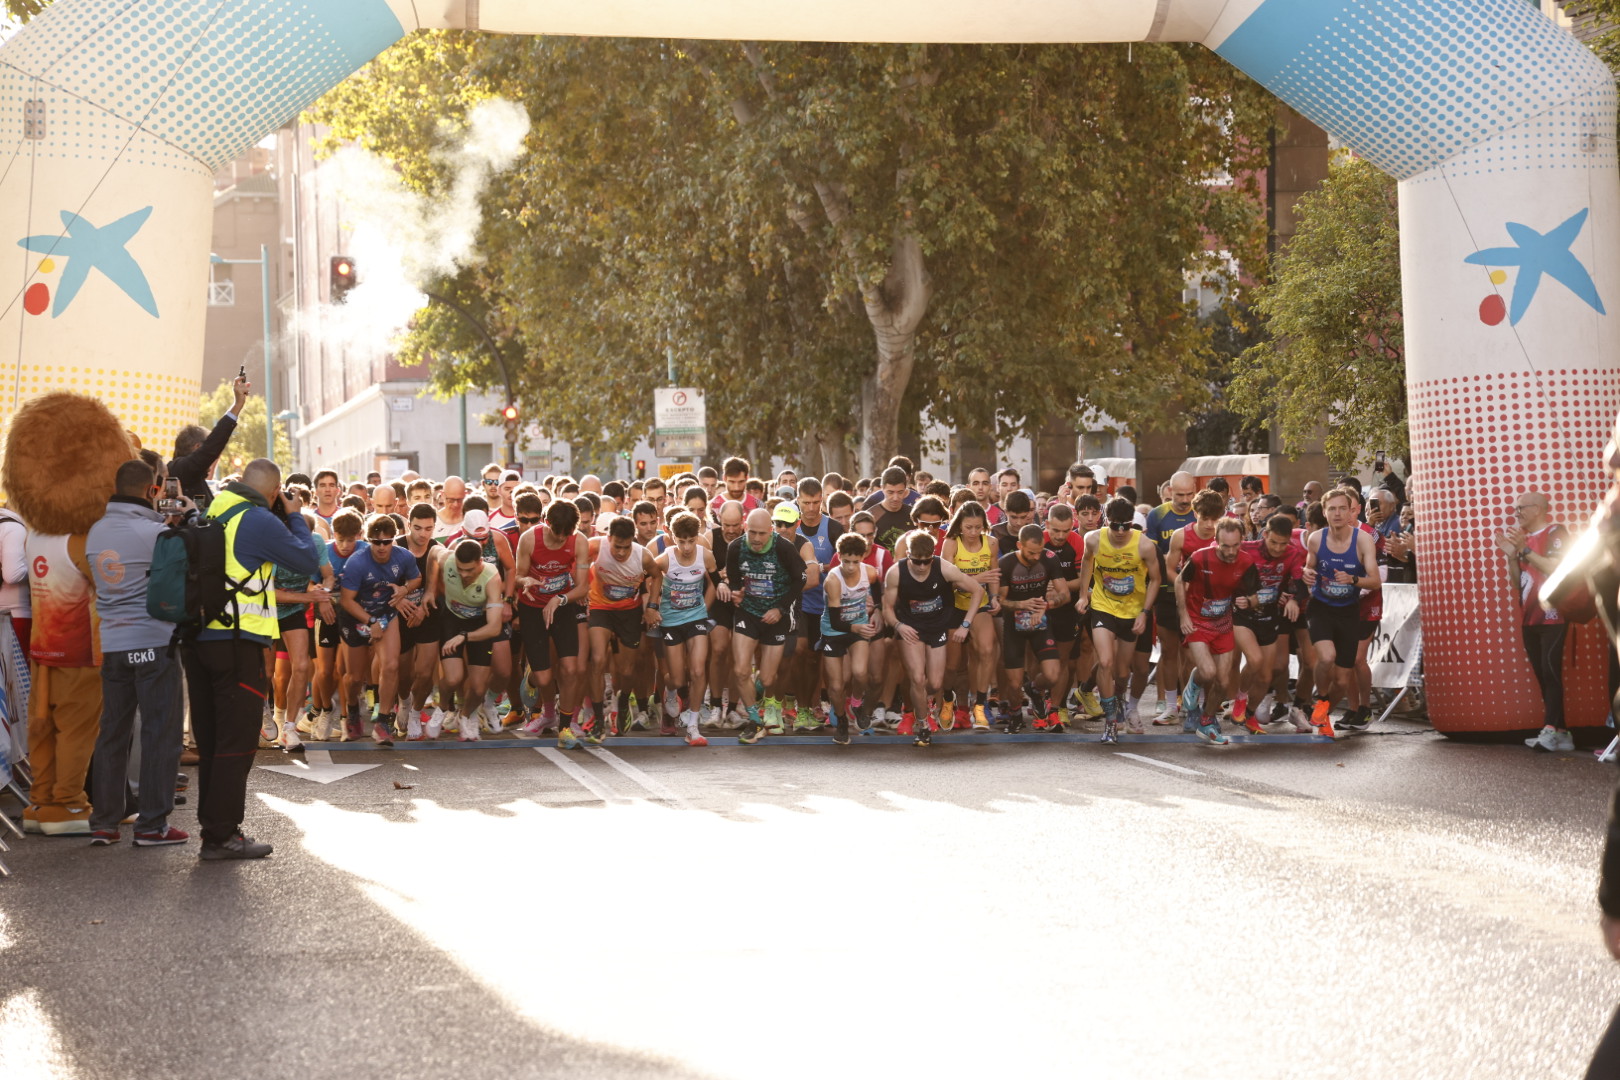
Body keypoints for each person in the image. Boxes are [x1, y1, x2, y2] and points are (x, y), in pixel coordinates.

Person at [183, 458, 319, 860]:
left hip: (199, 638)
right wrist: (294, 517)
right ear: (275, 491)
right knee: (237, 743)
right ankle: (223, 836)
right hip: (236, 642)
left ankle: (213, 830)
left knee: (210, 742)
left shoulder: (215, 507)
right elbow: (306, 561)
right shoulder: (258, 519)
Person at [85, 459, 192, 845]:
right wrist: (186, 515)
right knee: (160, 733)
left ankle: (104, 821)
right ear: (152, 490)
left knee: (112, 732)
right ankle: (151, 824)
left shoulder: (95, 532)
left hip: (113, 646)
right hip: (153, 643)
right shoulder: (155, 533)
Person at [884, 530, 983, 745]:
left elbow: (977, 591)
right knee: (917, 678)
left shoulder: (945, 568)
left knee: (935, 683)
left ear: (932, 555)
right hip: (910, 628)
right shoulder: (896, 573)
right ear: (907, 554)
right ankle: (923, 725)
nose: (921, 566)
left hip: (937, 627)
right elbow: (887, 608)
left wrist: (965, 625)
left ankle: (926, 703)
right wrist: (898, 626)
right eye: (916, 561)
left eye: (926, 561)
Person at [1075, 496, 1161, 742]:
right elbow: (1086, 562)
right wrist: (1083, 596)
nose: (1121, 531)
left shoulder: (1144, 545)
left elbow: (1155, 579)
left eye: (1126, 525)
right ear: (1107, 521)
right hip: (1103, 607)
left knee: (1123, 673)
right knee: (1105, 662)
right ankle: (1110, 722)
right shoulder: (1093, 539)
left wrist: (1145, 612)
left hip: (1132, 612)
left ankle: (1119, 700)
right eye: (1116, 525)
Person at [1495, 491, 1573, 752]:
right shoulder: (1523, 540)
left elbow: (1556, 567)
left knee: (1550, 670)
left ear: (1538, 509)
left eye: (1521, 509)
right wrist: (1510, 555)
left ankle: (1550, 729)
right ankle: (1561, 732)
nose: (1517, 514)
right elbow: (1517, 583)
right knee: (1541, 672)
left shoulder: (1555, 532)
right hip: (1529, 615)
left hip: (1554, 614)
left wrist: (1524, 549)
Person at [722, 507, 807, 743]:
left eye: (762, 533)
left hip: (774, 616)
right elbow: (733, 577)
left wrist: (780, 608)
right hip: (747, 612)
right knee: (740, 671)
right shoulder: (736, 547)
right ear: (744, 529)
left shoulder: (783, 547)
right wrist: (735, 591)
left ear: (771, 531)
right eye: (752, 533)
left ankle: (757, 691)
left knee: (768, 679)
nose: (757, 539)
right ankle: (754, 721)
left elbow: (801, 578)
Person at [337, 513, 423, 746]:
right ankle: (352, 711)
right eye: (377, 542)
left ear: (394, 540)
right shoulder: (357, 562)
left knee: (391, 665)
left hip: (386, 614)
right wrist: (370, 621)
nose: (382, 547)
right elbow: (346, 601)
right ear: (368, 539)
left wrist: (404, 590)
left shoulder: (403, 557)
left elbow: (417, 579)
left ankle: (383, 721)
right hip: (356, 616)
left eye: (387, 542)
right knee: (355, 677)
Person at [1301, 488, 1381, 739]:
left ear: (1350, 512)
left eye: (1342, 508)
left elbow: (1375, 581)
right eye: (1332, 509)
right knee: (1326, 658)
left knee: (1344, 682)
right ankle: (1321, 701)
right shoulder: (1316, 539)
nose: (1337, 513)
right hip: (1321, 608)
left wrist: (1353, 579)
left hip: (1348, 611)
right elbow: (1307, 570)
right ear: (1324, 512)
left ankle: (1323, 713)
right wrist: (1306, 576)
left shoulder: (1363, 540)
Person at [514, 498, 591, 747]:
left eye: (566, 535)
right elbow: (518, 575)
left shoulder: (578, 540)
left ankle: (565, 727)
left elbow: (582, 587)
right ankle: (538, 690)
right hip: (533, 608)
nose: (561, 540)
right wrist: (525, 582)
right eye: (558, 534)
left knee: (570, 669)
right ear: (547, 523)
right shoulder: (529, 539)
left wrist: (560, 598)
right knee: (546, 679)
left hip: (562, 606)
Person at [1176, 518, 1260, 745]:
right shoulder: (1200, 557)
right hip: (1196, 620)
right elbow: (1178, 581)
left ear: (1242, 541)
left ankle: (1206, 721)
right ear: (1216, 542)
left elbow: (1255, 596)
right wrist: (1183, 615)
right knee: (1208, 672)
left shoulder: (1246, 561)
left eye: (1236, 545)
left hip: (1223, 623)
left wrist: (1248, 602)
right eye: (1226, 546)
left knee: (1223, 682)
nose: (1231, 551)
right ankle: (1193, 685)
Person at [1235, 515, 1311, 734]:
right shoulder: (1246, 548)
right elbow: (1220, 554)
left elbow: (1300, 584)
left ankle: (1249, 714)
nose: (1278, 548)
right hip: (1243, 614)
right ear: (1265, 535)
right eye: (1274, 542)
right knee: (1255, 660)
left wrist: (1295, 600)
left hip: (1269, 616)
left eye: (1283, 543)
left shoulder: (1293, 554)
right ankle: (1239, 698)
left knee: (1267, 675)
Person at [586, 516, 659, 737]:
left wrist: (652, 607)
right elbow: (574, 560)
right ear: (609, 539)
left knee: (628, 670)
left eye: (625, 547)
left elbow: (657, 576)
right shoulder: (596, 547)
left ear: (632, 542)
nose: (620, 552)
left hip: (629, 611)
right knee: (598, 660)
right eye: (616, 546)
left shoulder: (642, 555)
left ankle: (624, 699)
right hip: (600, 608)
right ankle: (599, 718)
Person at [648, 511, 714, 746]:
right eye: (681, 541)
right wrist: (652, 607)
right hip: (671, 621)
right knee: (677, 678)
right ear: (671, 536)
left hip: (695, 617)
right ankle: (671, 692)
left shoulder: (705, 556)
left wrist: (703, 609)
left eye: (691, 540)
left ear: (697, 537)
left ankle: (693, 727)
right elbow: (650, 578)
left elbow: (714, 584)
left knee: (697, 671)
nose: (686, 547)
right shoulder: (665, 559)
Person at [995, 523, 1068, 733]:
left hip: (1040, 620)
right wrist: (1020, 605)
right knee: (1014, 682)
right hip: (1014, 625)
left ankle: (1034, 689)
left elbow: (1065, 594)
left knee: (1052, 675)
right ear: (1019, 545)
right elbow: (1000, 600)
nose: (1036, 557)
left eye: (1039, 552)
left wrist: (1047, 605)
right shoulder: (1006, 563)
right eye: (1031, 553)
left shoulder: (1049, 558)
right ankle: (1015, 714)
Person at [434, 539, 506, 741]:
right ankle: (441, 709)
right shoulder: (447, 559)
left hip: (478, 625)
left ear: (480, 562)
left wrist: (465, 637)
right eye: (460, 569)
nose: (464, 574)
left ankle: (465, 716)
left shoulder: (492, 577)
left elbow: (494, 627)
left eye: (469, 570)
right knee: (453, 678)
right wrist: (431, 590)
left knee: (478, 687)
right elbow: (432, 552)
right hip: (451, 619)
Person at [1144, 471, 1198, 726]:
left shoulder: (1201, 513)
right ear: (1170, 492)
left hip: (1196, 595)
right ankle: (1169, 703)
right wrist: (1174, 581)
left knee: (1190, 653)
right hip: (1167, 592)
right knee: (1169, 651)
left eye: (1190, 494)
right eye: (1180, 495)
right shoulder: (1157, 515)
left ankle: (1189, 704)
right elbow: (1154, 557)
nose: (1186, 500)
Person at [819, 531, 883, 745]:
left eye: (855, 562)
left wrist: (877, 608)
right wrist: (857, 627)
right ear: (838, 556)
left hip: (858, 627)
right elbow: (837, 622)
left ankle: (856, 703)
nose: (850, 567)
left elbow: (877, 587)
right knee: (836, 686)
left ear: (863, 558)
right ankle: (842, 719)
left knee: (860, 672)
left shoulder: (870, 572)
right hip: (834, 631)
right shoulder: (833, 580)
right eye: (846, 561)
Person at [941, 500, 998, 731]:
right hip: (955, 605)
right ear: (959, 526)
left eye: (978, 527)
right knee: (953, 664)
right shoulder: (951, 543)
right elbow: (947, 582)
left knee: (987, 649)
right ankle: (947, 699)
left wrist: (994, 597)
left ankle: (980, 706)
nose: (973, 532)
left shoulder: (991, 543)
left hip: (980, 604)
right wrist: (975, 580)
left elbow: (993, 575)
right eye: (968, 528)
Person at [168, 374, 249, 507]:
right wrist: (237, 405)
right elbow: (213, 445)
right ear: (197, 448)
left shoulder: (192, 478)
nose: (215, 456)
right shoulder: (180, 470)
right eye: (212, 452)